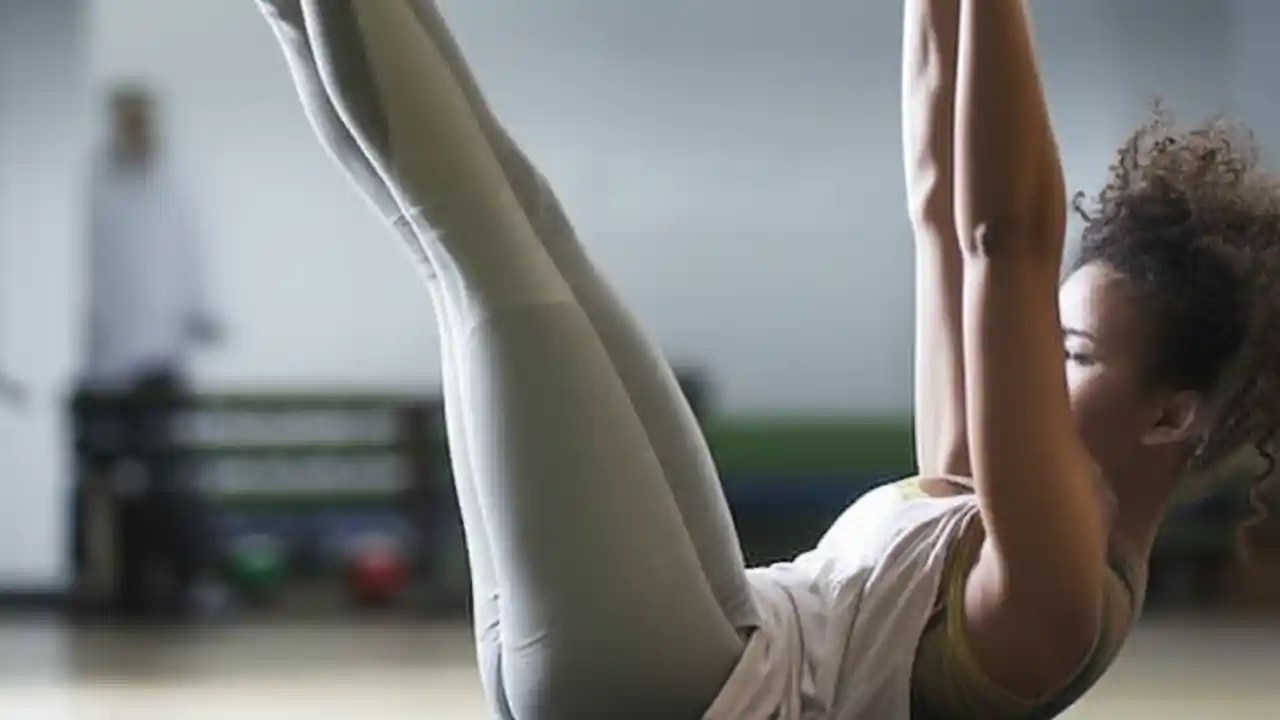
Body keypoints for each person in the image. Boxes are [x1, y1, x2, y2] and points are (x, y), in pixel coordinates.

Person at [257, 0, 1279, 717]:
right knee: (520, 217)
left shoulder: (1064, 595)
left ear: (1167, 417)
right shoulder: (980, 495)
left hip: (675, 691)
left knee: (482, 246)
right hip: (719, 631)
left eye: (1073, 352)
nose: (1028, 363)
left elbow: (1002, 241)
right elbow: (940, 203)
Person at [73, 84, 219, 617]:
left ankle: (177, 584)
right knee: (113, 486)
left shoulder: (173, 181)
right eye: (128, 120)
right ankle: (120, 588)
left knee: (171, 480)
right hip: (106, 364)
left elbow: (188, 258)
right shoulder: (95, 183)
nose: (138, 130)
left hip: (163, 359)